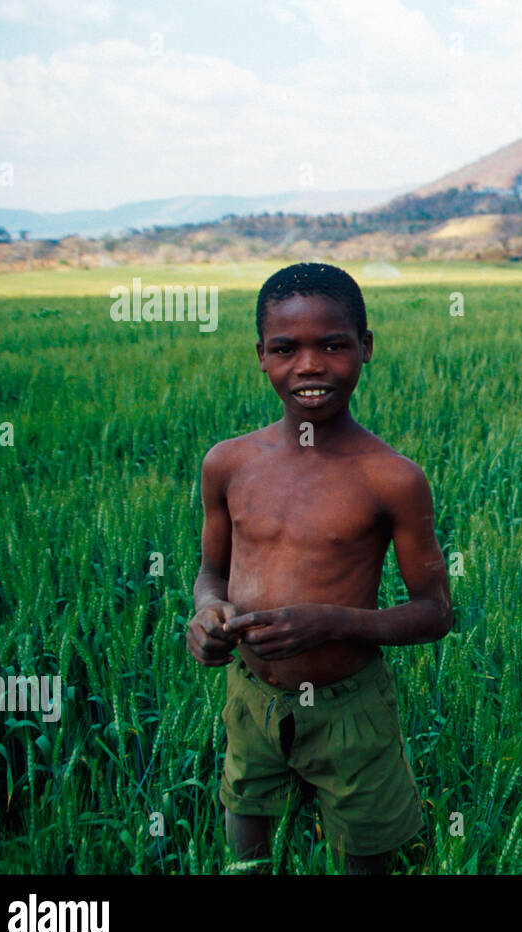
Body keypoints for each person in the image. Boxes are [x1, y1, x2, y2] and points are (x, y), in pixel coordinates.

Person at [185, 262, 452, 874]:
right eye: (286, 348)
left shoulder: (392, 478)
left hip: (349, 708)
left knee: (364, 854)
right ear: (260, 355)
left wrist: (330, 622)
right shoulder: (228, 463)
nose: (309, 365)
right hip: (250, 696)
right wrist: (207, 612)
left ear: (366, 347)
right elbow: (210, 573)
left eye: (332, 344)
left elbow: (435, 612)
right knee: (246, 840)